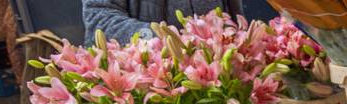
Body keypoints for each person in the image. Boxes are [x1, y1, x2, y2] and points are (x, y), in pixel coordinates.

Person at [82, 1, 245, 44]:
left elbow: (232, 15)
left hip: (214, 100)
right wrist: (161, 38)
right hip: (140, 101)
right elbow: (100, 19)